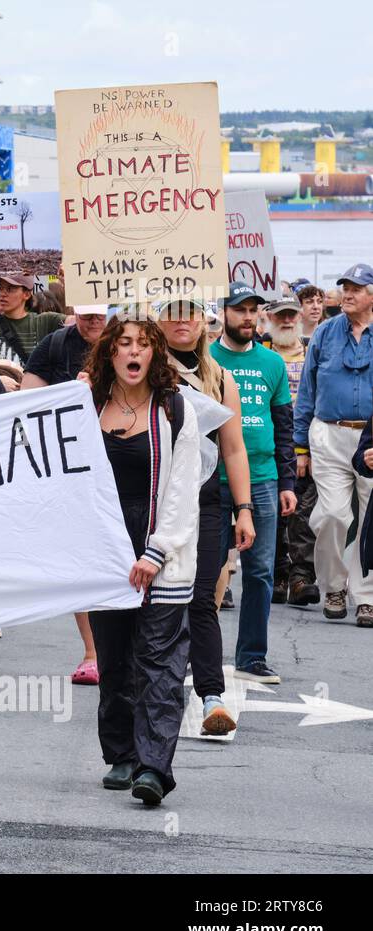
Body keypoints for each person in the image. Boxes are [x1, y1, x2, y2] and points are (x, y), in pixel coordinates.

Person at [85, 312, 200, 807]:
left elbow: (183, 487)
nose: (133, 351)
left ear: (154, 353)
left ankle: (155, 767)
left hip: (161, 547)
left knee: (159, 661)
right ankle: (121, 753)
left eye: (143, 343)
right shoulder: (86, 405)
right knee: (113, 656)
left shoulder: (177, 408)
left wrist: (156, 550)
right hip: (105, 546)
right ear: (110, 351)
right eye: (124, 343)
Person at [155, 297, 255, 733]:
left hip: (207, 504)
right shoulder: (140, 367)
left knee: (200, 598)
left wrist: (245, 509)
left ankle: (212, 697)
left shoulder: (220, 378)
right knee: (157, 600)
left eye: (191, 313)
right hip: (155, 501)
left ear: (203, 322)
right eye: (172, 312)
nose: (183, 321)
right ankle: (154, 687)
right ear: (157, 320)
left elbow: (233, 448)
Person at [210, 282, 296, 681]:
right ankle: (197, 654)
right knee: (205, 570)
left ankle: (251, 657)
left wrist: (287, 483)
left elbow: (283, 425)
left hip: (262, 477)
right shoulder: (206, 358)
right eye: (239, 309)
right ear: (224, 312)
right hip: (212, 477)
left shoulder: (272, 363)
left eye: (252, 310)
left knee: (259, 571)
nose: (247, 317)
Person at [21, 304, 109, 686]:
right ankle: (92, 652)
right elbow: (27, 404)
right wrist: (70, 395)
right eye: (86, 313)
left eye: (100, 314)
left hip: (124, 464)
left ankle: (129, 648)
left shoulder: (132, 343)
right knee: (84, 561)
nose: (93, 320)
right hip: (72, 470)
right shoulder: (55, 345)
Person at [294, 264, 373, 627]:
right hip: (327, 433)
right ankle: (334, 586)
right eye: (344, 287)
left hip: (371, 438)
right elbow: (307, 392)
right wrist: (299, 448)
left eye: (356, 288)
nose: (347, 294)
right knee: (333, 515)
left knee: (370, 520)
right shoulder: (325, 334)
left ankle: (366, 596)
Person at [262, 296, 319, 607]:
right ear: (270, 317)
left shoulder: (311, 351)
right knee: (273, 514)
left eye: (291, 315)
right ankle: (279, 574)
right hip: (267, 444)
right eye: (281, 315)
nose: (287, 320)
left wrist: (304, 448)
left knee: (303, 514)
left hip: (305, 446)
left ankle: (300, 577)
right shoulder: (262, 351)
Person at [0, 273, 66, 368]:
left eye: (10, 289)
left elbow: (79, 321)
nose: (2, 294)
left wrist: (71, 281)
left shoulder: (45, 321)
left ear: (26, 294)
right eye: (0, 288)